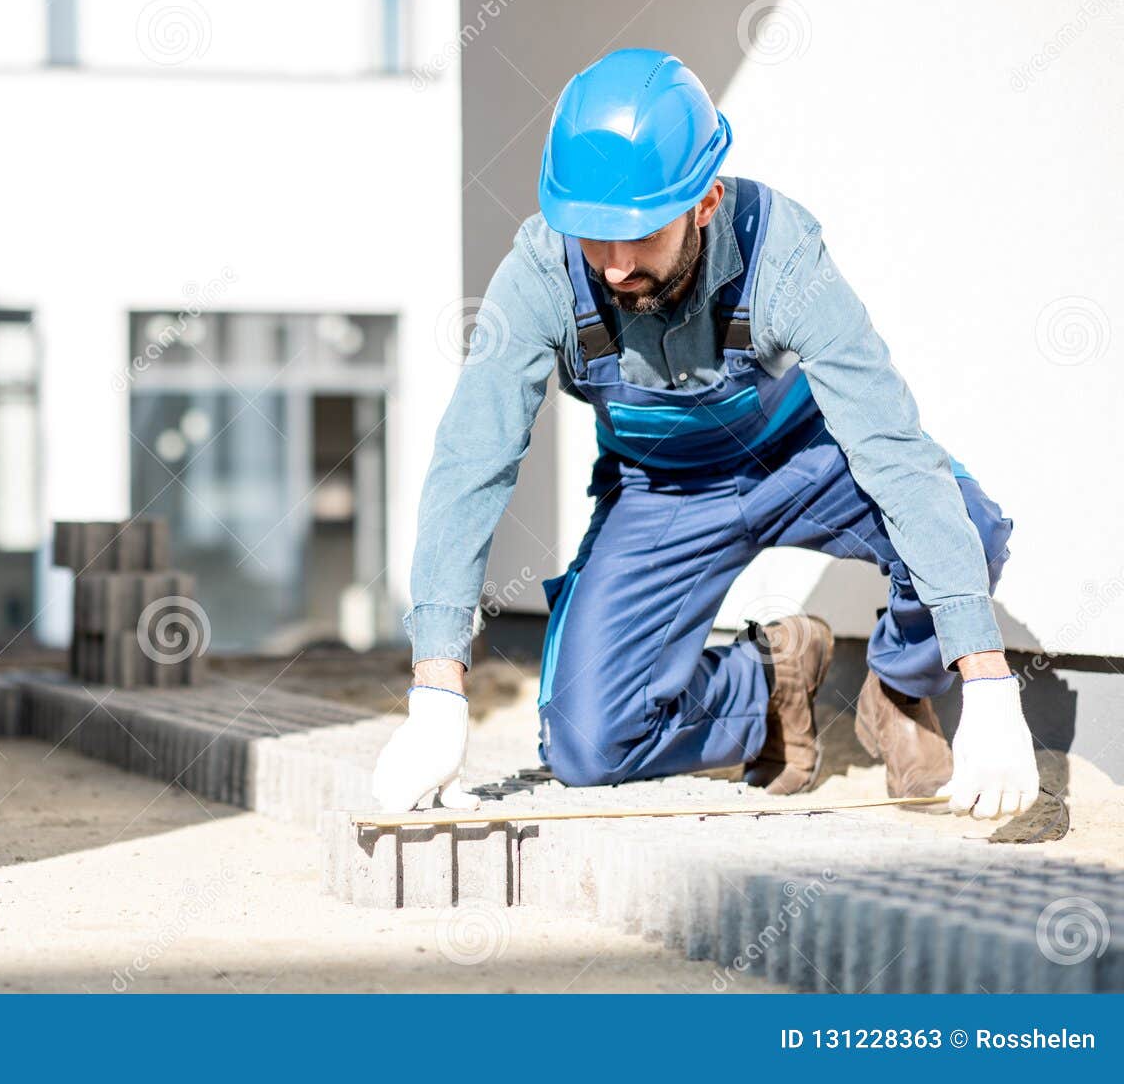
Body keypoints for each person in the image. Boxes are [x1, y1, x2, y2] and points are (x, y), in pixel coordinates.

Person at [372, 49, 1039, 821]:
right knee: (587, 748)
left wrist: (987, 681)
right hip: (664, 490)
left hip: (807, 462)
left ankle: (897, 689)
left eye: (641, 234)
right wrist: (436, 689)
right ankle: (769, 684)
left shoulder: (783, 253)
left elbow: (891, 448)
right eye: (593, 236)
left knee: (971, 526)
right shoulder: (541, 277)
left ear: (706, 201)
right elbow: (471, 462)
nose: (616, 268)